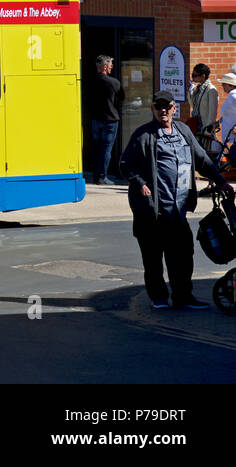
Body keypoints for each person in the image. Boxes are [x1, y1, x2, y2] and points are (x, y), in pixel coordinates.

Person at [120, 91, 230, 309]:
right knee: (153, 259)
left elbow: (202, 160)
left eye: (167, 107)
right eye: (158, 107)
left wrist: (221, 181)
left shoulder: (183, 131)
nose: (163, 111)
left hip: (178, 210)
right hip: (152, 212)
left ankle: (183, 297)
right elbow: (126, 164)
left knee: (182, 256)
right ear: (153, 109)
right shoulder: (144, 135)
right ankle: (158, 297)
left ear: (173, 108)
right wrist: (140, 182)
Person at [87, 54, 124, 185]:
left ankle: (96, 176)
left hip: (95, 119)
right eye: (110, 65)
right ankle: (102, 177)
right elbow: (122, 98)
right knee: (106, 149)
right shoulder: (114, 82)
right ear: (104, 66)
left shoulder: (90, 81)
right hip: (110, 120)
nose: (112, 67)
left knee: (96, 148)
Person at [187, 63, 218, 138]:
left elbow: (212, 112)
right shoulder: (198, 89)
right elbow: (192, 105)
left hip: (205, 128)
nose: (193, 78)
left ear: (203, 76)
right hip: (196, 126)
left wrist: (208, 129)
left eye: (195, 75)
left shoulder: (211, 90)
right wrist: (190, 92)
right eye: (192, 75)